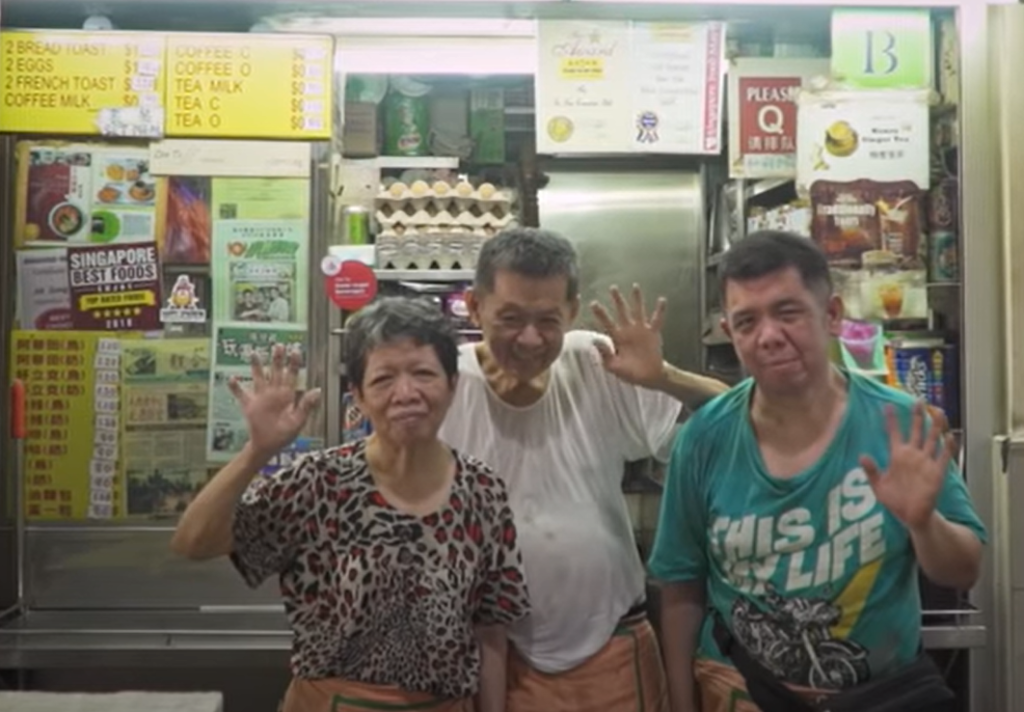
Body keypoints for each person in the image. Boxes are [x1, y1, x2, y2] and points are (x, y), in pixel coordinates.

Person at [648, 230, 986, 712]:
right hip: (746, 694)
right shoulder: (704, 439)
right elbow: (681, 585)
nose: (768, 336)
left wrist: (923, 521)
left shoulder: (898, 424)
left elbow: (965, 568)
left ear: (831, 314)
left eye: (787, 313)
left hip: (883, 695)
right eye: (746, 321)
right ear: (730, 330)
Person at [171, 297, 531, 712]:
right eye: (383, 379)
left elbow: (491, 633)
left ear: (453, 385)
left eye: (423, 373)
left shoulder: (482, 491)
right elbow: (192, 543)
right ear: (357, 396)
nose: (406, 393)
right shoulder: (318, 482)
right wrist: (257, 452)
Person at [437, 227, 730, 712]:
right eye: (510, 317)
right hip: (486, 652)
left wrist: (664, 377)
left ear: (571, 312)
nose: (530, 339)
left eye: (547, 320)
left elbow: (732, 419)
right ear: (474, 307)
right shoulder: (443, 382)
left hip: (611, 649)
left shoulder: (596, 361)